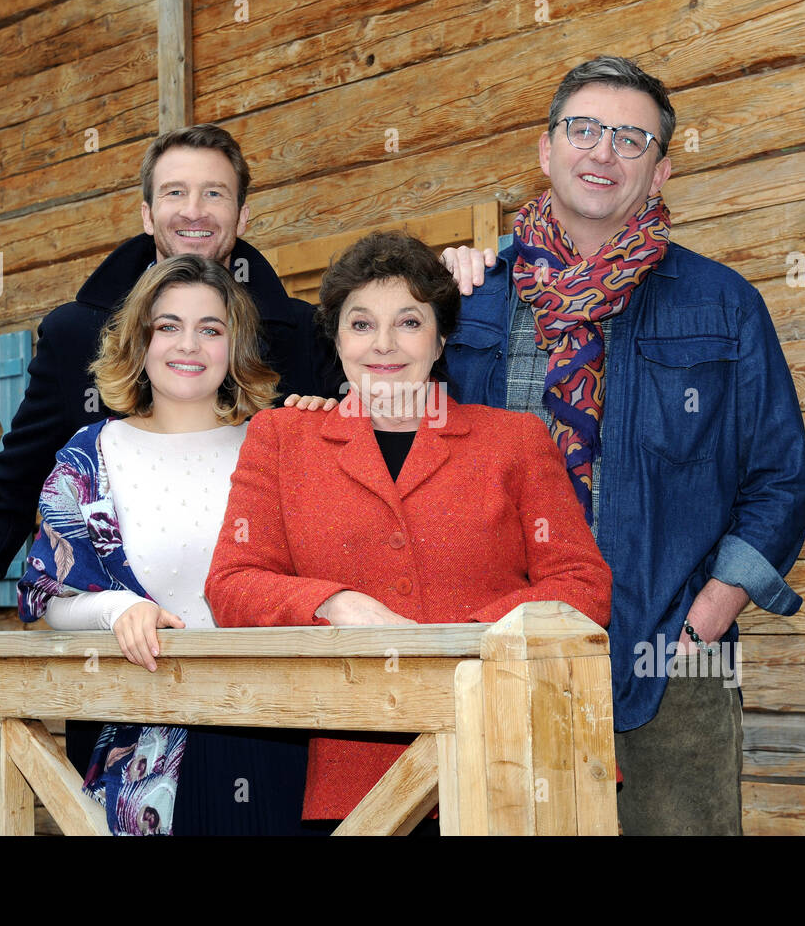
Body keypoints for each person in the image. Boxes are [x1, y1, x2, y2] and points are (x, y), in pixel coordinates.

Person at [439, 56, 805, 834]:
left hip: (671, 668)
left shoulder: (725, 304)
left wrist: (706, 618)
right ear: (546, 151)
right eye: (584, 129)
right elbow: (392, 432)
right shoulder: (468, 300)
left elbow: (780, 479)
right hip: (493, 657)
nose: (603, 152)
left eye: (630, 137)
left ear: (661, 169)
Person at [0, 125, 332, 775]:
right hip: (124, 688)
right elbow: (16, 480)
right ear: (147, 212)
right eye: (175, 191)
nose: (193, 209)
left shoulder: (299, 335)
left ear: (242, 213)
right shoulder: (76, 335)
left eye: (214, 193)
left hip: (271, 702)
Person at [205, 231, 614, 824]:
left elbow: (583, 585)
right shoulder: (282, 439)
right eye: (362, 324)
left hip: (514, 756)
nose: (385, 345)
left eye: (409, 322)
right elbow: (233, 582)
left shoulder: (514, 440)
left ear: (442, 335)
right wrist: (336, 604)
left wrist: (464, 640)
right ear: (337, 338)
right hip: (355, 773)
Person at [17, 253, 314, 835]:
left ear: (235, 347)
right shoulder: (90, 452)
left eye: (211, 329)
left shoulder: (278, 444)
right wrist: (118, 609)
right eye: (168, 326)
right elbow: (47, 594)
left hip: (276, 731)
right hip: (145, 744)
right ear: (140, 341)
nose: (190, 345)